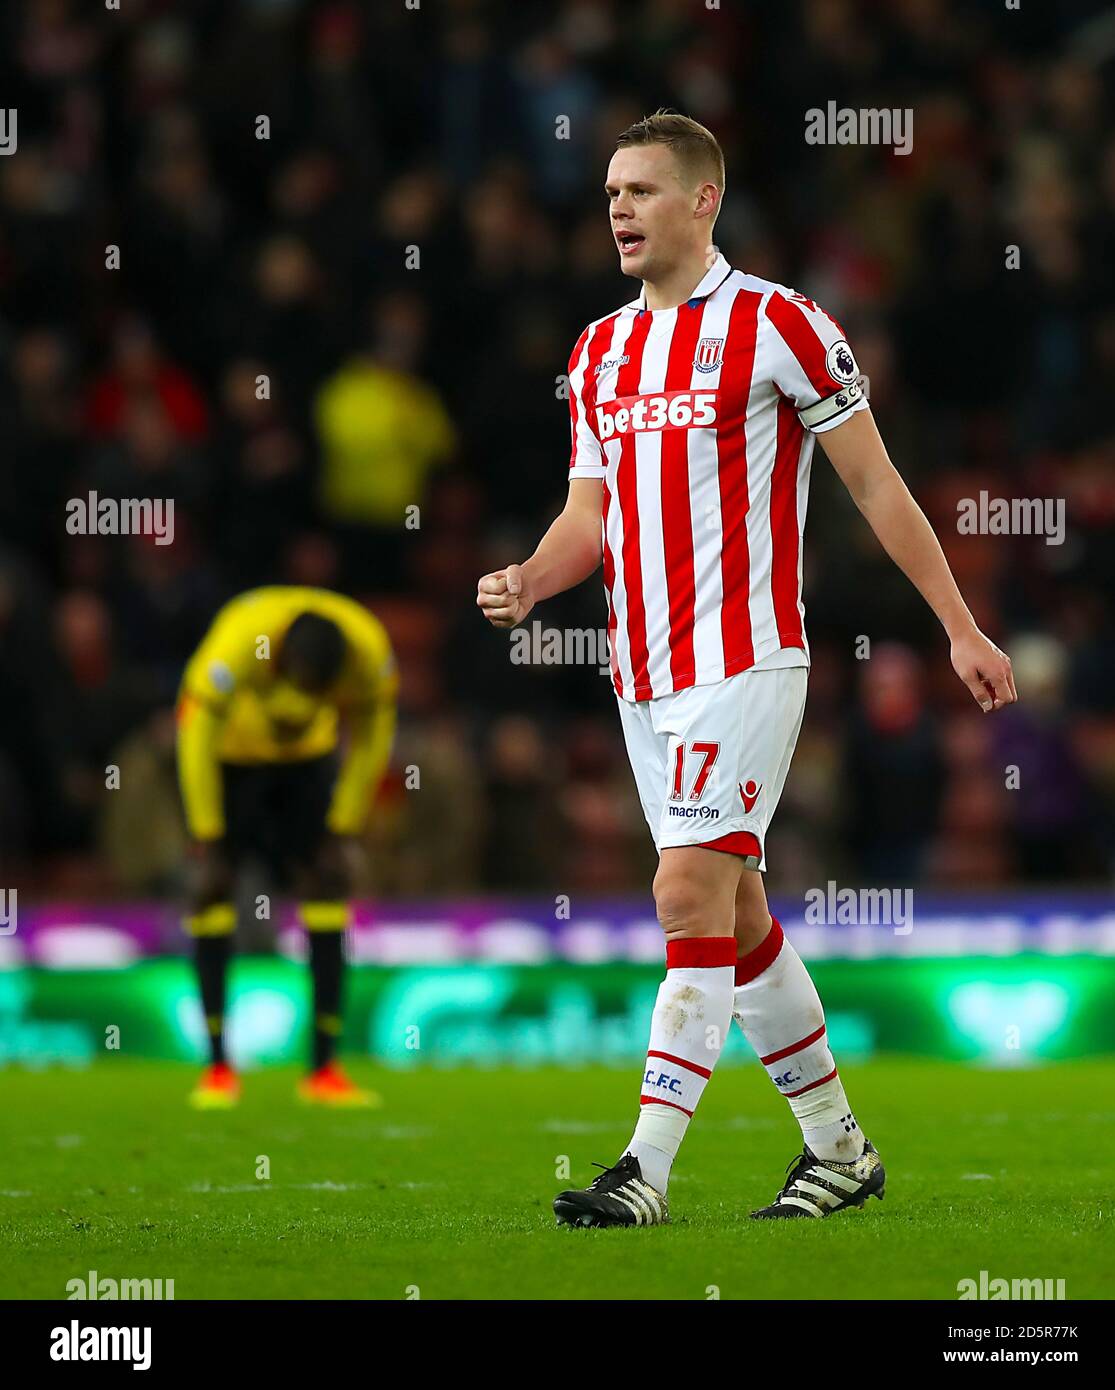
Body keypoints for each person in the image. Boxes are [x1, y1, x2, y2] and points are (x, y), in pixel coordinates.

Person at [476, 111, 1017, 1226]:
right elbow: (593, 513)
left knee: (683, 889)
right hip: (642, 673)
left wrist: (960, 626)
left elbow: (875, 485)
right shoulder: (599, 350)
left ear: (703, 199)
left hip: (749, 658)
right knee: (737, 911)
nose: (618, 209)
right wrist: (532, 578)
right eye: (611, 192)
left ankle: (645, 1171)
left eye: (642, 190)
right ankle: (840, 1150)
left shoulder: (783, 324)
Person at [176, 586, 397, 1108]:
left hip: (306, 768)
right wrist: (207, 834)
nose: (304, 704)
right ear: (277, 659)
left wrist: (344, 827)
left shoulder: (368, 652)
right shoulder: (235, 645)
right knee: (212, 893)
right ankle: (217, 1070)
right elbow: (194, 733)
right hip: (232, 764)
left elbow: (373, 730)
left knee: (328, 883)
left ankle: (323, 1071)